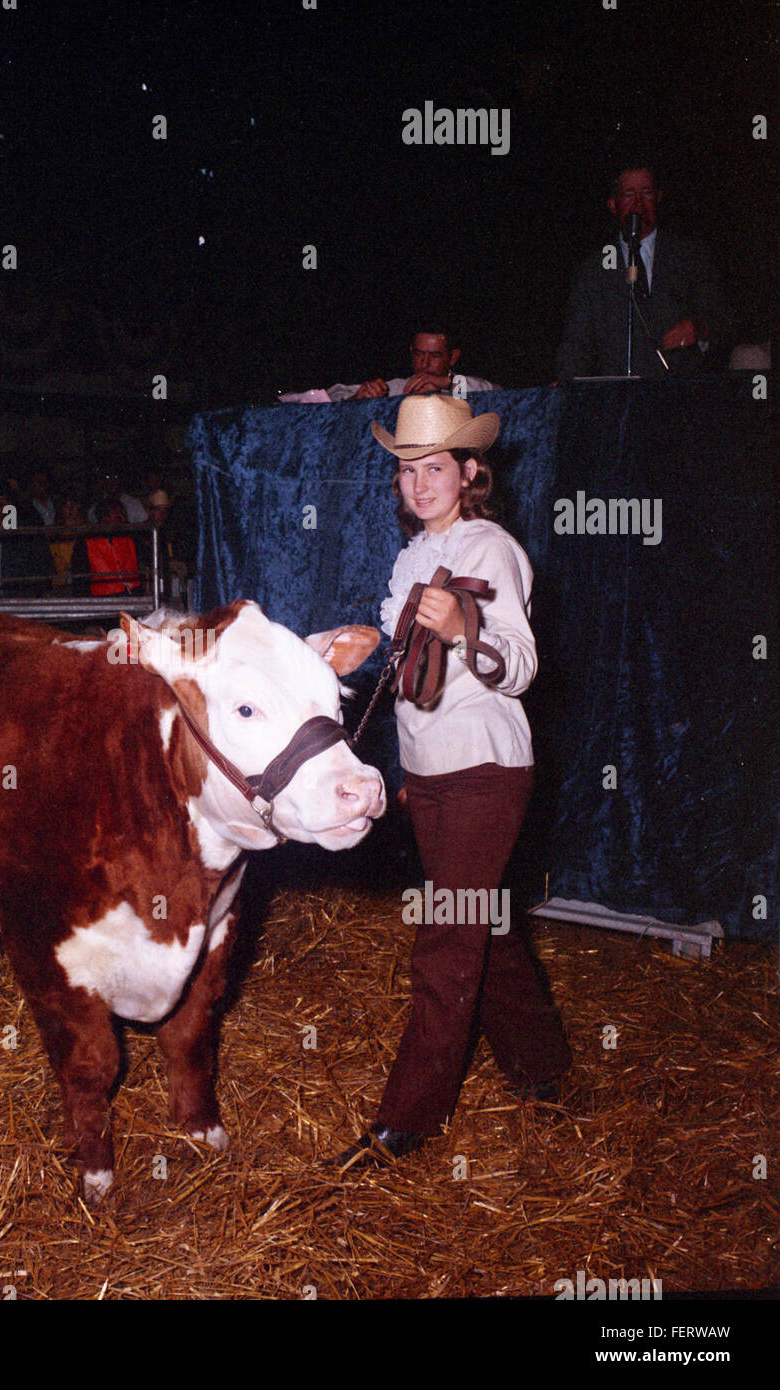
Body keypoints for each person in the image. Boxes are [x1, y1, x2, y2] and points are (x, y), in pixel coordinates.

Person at [335, 395, 571, 1168]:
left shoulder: (492, 547)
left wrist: (466, 629)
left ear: (470, 473)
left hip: (486, 769)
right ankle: (543, 1068)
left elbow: (523, 664)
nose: (419, 483)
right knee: (483, 926)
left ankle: (407, 1120)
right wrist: (362, 645)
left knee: (445, 939)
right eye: (407, 470)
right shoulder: (410, 558)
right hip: (434, 776)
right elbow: (406, 675)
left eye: (434, 468)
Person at [555, 161, 733, 378]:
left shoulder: (690, 256)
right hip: (619, 400)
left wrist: (698, 329)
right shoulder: (594, 271)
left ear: (658, 197)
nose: (639, 203)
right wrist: (565, 387)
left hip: (680, 393)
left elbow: (723, 322)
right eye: (629, 195)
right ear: (613, 205)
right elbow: (576, 345)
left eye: (646, 192)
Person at [327, 325, 500, 401]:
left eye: (435, 356)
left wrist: (446, 383)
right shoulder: (397, 388)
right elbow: (331, 396)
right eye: (419, 354)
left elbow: (497, 394)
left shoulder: (462, 388)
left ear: (453, 357)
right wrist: (358, 397)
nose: (425, 363)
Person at [70, 497, 142, 597]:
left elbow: (143, 559)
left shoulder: (130, 536)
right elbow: (79, 577)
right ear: (105, 518)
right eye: (118, 515)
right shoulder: (86, 541)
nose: (122, 518)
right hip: (101, 597)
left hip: (132, 592)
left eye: (122, 514)